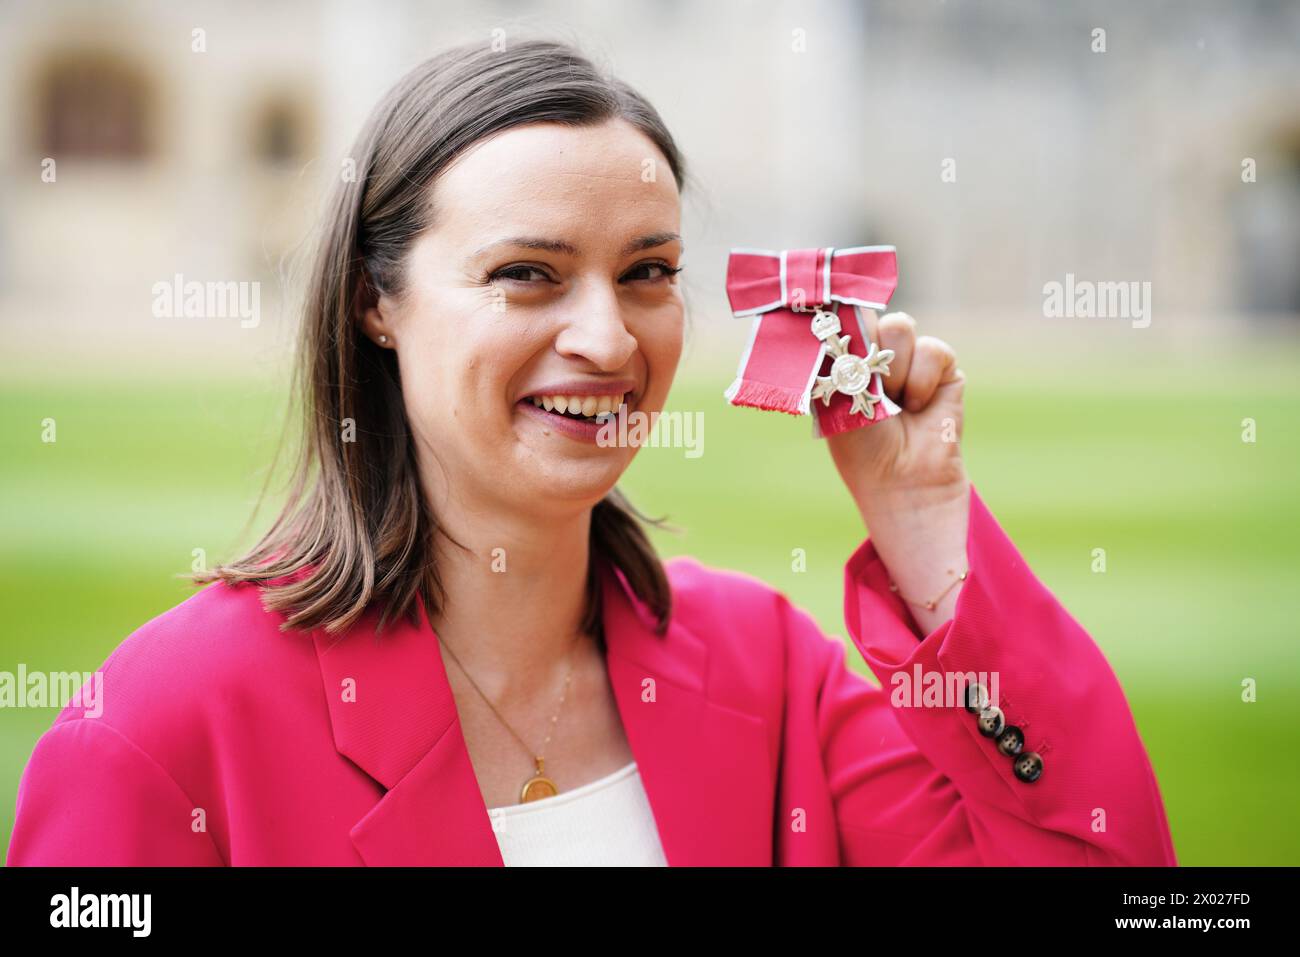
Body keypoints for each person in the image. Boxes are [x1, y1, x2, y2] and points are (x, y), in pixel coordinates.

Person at [6, 39, 1177, 866]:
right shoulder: (160, 731)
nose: (609, 338)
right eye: (529, 274)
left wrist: (923, 521)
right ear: (378, 302)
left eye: (648, 272)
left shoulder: (770, 674)